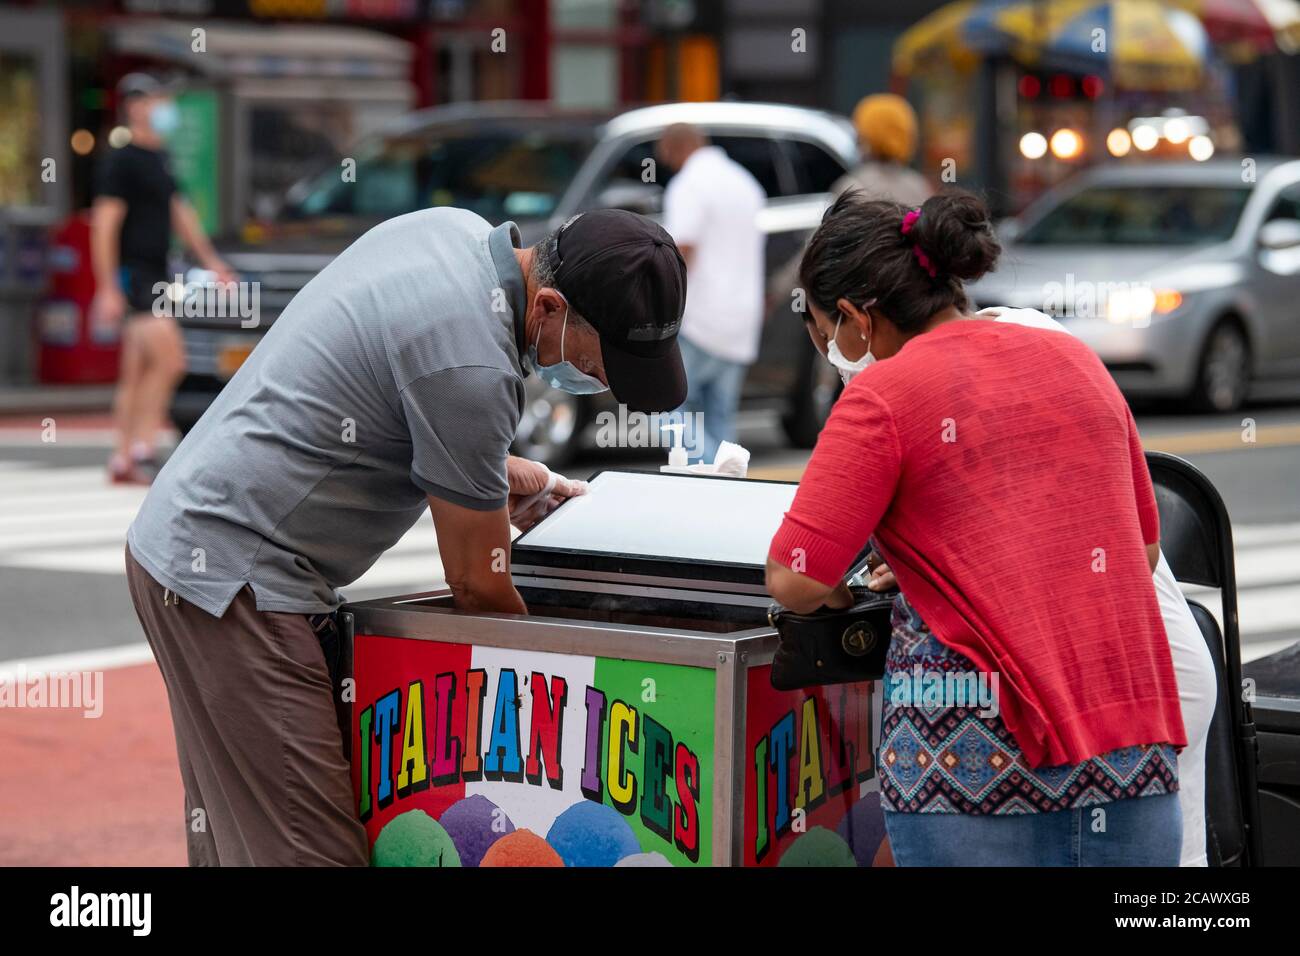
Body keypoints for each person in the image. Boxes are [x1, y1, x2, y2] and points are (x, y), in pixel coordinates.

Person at [125, 207, 688, 865]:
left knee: (242, 843)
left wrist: (493, 478)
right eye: (600, 365)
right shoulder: (473, 366)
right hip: (235, 577)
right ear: (548, 308)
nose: (602, 384)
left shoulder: (449, 233)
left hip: (194, 547)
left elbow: (378, 401)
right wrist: (572, 688)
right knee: (311, 852)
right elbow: (478, 586)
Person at [766, 189, 1188, 866]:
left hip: (965, 769)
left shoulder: (882, 394)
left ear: (854, 317)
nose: (831, 356)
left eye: (824, 336)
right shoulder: (1071, 357)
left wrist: (846, 597)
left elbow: (794, 578)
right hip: (1127, 753)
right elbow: (1140, 550)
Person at [91, 73, 236, 485]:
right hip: (134, 274)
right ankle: (142, 449)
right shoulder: (121, 160)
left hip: (156, 272)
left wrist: (213, 261)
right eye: (155, 100)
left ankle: (123, 457)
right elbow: (103, 225)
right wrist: (107, 286)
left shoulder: (159, 156)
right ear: (136, 106)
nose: (163, 108)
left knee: (137, 370)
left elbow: (180, 212)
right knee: (173, 360)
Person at [657, 123, 765, 463]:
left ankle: (714, 471)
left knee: (660, 403)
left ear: (675, 147)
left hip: (700, 318)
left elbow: (681, 248)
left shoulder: (689, 184)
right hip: (741, 318)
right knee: (719, 418)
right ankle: (728, 491)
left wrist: (657, 302)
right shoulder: (745, 182)